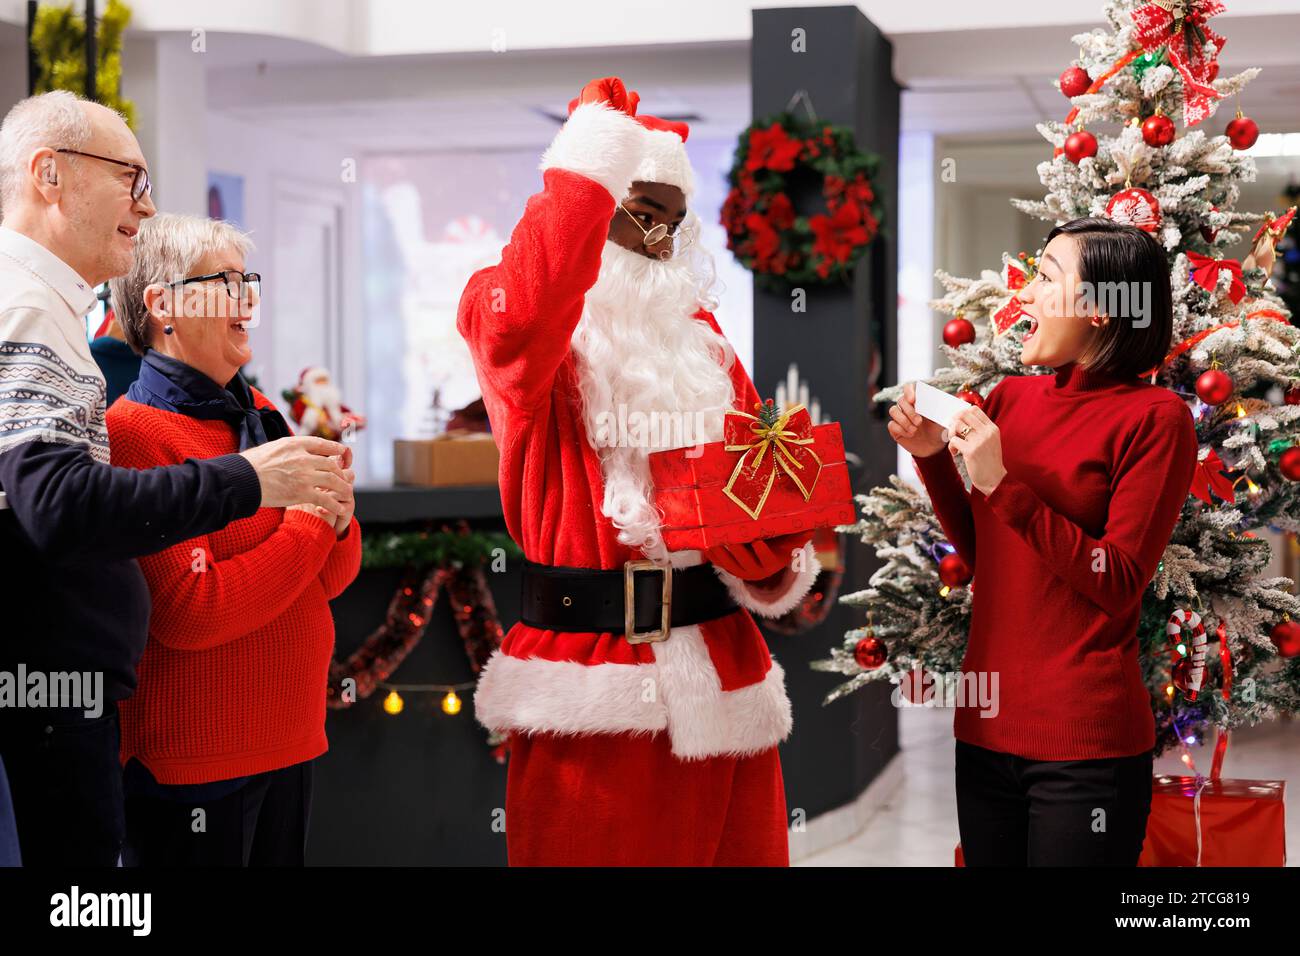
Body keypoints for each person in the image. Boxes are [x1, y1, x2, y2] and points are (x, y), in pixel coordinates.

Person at [458, 77, 817, 866]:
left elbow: (759, 471)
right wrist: (589, 156)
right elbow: (533, 300)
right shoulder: (503, 313)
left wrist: (773, 557)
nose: (659, 242)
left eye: (673, 223)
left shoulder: (701, 336)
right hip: (591, 686)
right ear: (592, 209)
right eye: (640, 216)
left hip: (723, 678)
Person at [0, 90, 352, 867]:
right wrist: (268, 492)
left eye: (245, 283)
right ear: (49, 175)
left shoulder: (257, 408)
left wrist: (296, 503)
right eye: (130, 177)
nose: (146, 202)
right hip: (135, 735)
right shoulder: (32, 313)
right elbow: (183, 601)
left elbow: (335, 566)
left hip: (223, 727)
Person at [888, 216, 1198, 866]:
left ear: (1104, 311)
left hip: (1085, 752)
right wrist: (934, 460)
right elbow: (987, 559)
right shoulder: (1009, 399)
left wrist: (1002, 482)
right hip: (986, 732)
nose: (1023, 296)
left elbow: (1115, 580)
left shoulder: (1156, 420)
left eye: (1047, 278)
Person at [105, 213, 361, 866]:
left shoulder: (266, 418)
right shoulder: (134, 434)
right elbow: (192, 610)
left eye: (248, 280)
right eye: (224, 282)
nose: (246, 297)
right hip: (194, 761)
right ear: (162, 304)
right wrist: (310, 517)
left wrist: (336, 514)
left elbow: (329, 580)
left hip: (291, 739)